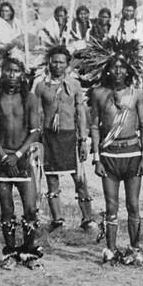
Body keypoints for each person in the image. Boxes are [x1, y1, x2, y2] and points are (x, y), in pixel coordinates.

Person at [85, 39, 143, 266]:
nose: (118, 71)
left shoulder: (137, 94)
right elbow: (94, 126)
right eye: (114, 66)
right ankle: (110, 250)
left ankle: (135, 249)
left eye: (123, 67)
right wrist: (96, 158)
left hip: (132, 154)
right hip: (109, 156)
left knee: (133, 205)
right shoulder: (98, 93)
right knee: (111, 206)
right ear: (107, 69)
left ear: (129, 69)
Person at [0, 56, 44, 268]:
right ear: (3, 72)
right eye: (8, 71)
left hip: (22, 159)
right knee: (7, 210)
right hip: (2, 160)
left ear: (22, 74)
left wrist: (18, 155)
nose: (12, 75)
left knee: (30, 208)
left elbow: (35, 132)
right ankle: (10, 253)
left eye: (16, 71)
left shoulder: (28, 98)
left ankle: (28, 252)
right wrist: (4, 156)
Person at [35, 45, 96, 233]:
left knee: (80, 179)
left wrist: (84, 139)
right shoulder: (41, 86)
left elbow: (81, 113)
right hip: (49, 137)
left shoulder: (74, 85)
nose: (58, 65)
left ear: (67, 64)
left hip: (70, 136)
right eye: (54, 62)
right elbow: (37, 114)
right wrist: (37, 142)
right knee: (52, 178)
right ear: (49, 63)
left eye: (62, 62)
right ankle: (58, 220)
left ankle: (87, 219)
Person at [114, 0, 143, 73]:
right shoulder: (116, 25)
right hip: (119, 58)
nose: (128, 13)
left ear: (134, 11)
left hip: (136, 58)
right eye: (126, 10)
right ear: (122, 10)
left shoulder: (140, 26)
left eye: (131, 11)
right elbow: (111, 39)